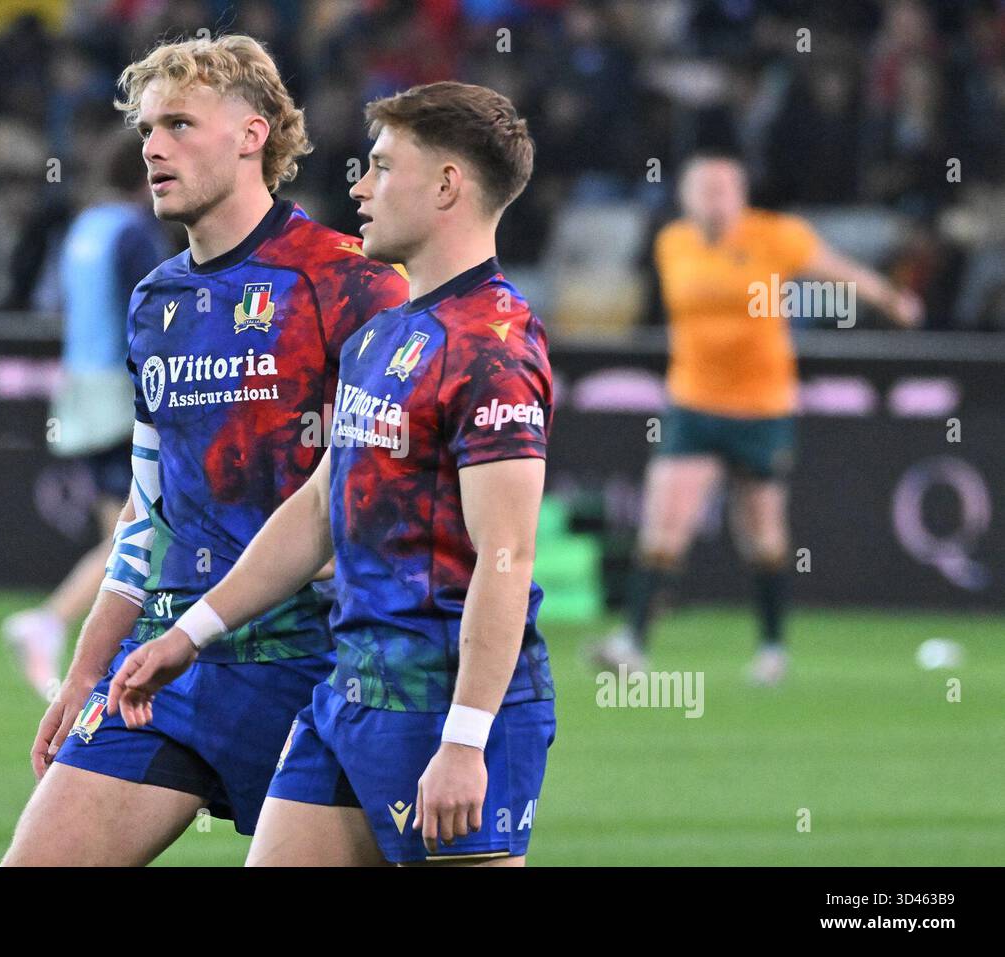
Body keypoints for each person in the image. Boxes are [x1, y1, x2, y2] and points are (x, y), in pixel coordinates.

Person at [108, 82, 555, 866]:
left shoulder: (495, 346)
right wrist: (190, 632)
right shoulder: (381, 337)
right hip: (347, 695)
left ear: (447, 185)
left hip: (441, 706)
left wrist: (465, 740)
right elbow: (317, 508)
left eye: (381, 168)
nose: (359, 186)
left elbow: (506, 557)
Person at [0, 34, 406, 865]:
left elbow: (391, 492)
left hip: (323, 669)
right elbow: (146, 514)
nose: (152, 146)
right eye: (147, 128)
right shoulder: (156, 301)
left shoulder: (353, 281)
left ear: (254, 133)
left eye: (179, 123)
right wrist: (85, 670)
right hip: (170, 665)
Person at [590, 154, 923, 685]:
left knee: (761, 533)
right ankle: (632, 644)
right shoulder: (672, 242)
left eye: (722, 187)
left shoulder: (777, 236)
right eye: (702, 187)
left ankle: (772, 649)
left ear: (741, 193)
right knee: (663, 524)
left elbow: (840, 272)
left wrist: (889, 298)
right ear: (684, 196)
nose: (712, 197)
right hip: (693, 403)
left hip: (762, 408)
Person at [1, 131, 169, 699]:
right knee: (135, 531)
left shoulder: (85, 228)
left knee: (119, 527)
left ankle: (81, 631)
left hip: (79, 386)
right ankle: (52, 620)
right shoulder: (134, 232)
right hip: (122, 393)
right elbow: (151, 313)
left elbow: (57, 303)